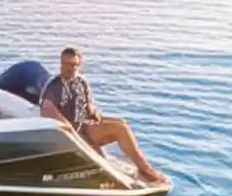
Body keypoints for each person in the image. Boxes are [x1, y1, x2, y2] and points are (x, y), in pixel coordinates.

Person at [39, 47, 168, 184]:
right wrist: (74, 134)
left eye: (74, 65)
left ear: (79, 65)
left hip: (84, 127)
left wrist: (95, 114)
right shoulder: (54, 87)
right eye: (66, 64)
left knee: (121, 125)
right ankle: (144, 171)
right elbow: (48, 112)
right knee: (104, 137)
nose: (70, 68)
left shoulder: (81, 82)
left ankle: (144, 169)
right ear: (61, 63)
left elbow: (89, 109)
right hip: (68, 134)